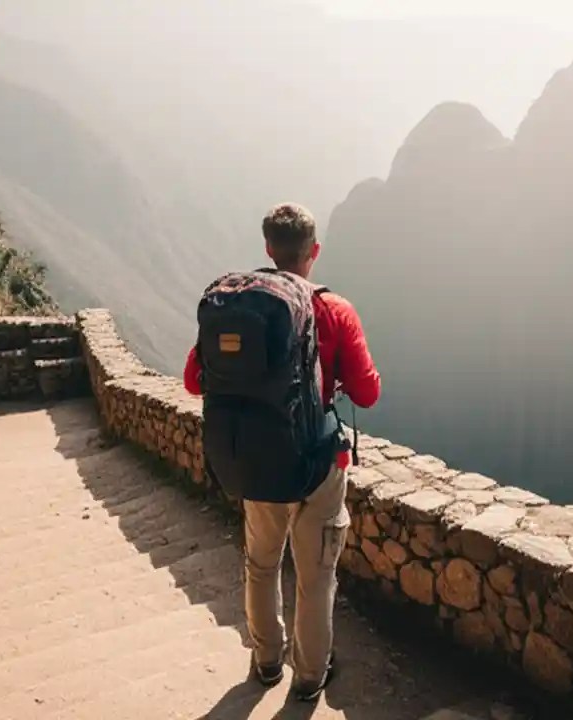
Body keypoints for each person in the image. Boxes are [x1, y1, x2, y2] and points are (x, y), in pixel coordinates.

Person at [182, 203, 380, 701]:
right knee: (316, 577)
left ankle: (267, 661)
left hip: (259, 457)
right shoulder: (335, 310)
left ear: (268, 248)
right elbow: (367, 393)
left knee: (261, 564)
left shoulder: (243, 305)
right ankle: (310, 677)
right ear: (314, 251)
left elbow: (191, 380)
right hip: (317, 463)